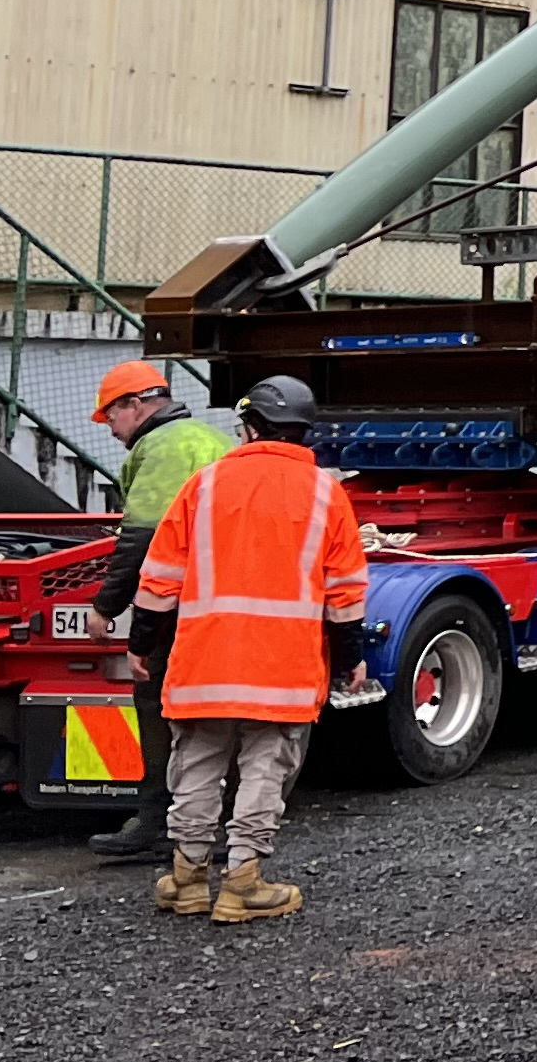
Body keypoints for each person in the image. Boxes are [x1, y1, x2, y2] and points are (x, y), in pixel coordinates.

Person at [133, 375, 373, 925]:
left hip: (205, 662)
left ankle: (187, 878)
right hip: (281, 669)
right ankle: (243, 881)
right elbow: (345, 589)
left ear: (250, 427)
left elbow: (160, 574)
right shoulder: (325, 494)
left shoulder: (206, 485)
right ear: (303, 434)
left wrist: (142, 642)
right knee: (264, 768)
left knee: (195, 765)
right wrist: (349, 655)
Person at [83, 361, 232, 863]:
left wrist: (107, 607)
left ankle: (156, 825)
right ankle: (213, 818)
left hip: (179, 605)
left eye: (112, 419)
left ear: (135, 405)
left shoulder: (163, 447)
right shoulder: (208, 439)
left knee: (155, 709)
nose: (114, 432)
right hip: (219, 599)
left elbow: (145, 539)